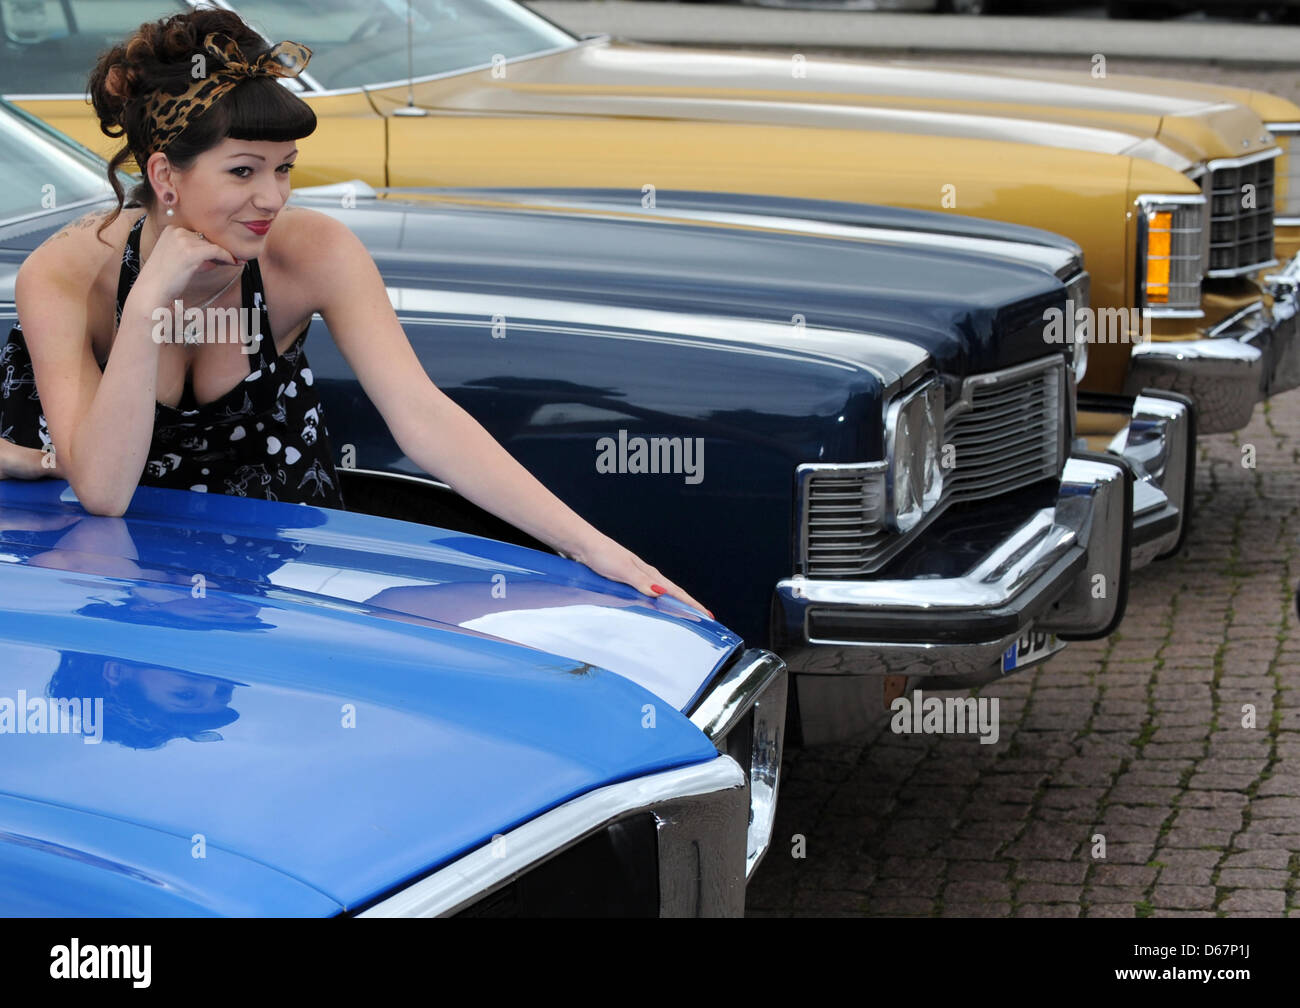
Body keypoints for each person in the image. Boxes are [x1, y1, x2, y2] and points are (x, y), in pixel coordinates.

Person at [0, 6, 710, 619]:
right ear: (164, 176)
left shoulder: (310, 252)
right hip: (104, 579)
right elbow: (104, 492)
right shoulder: (65, 274)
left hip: (276, 576)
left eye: (284, 167)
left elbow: (423, 417)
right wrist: (149, 300)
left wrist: (590, 548)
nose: (273, 198)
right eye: (243, 171)